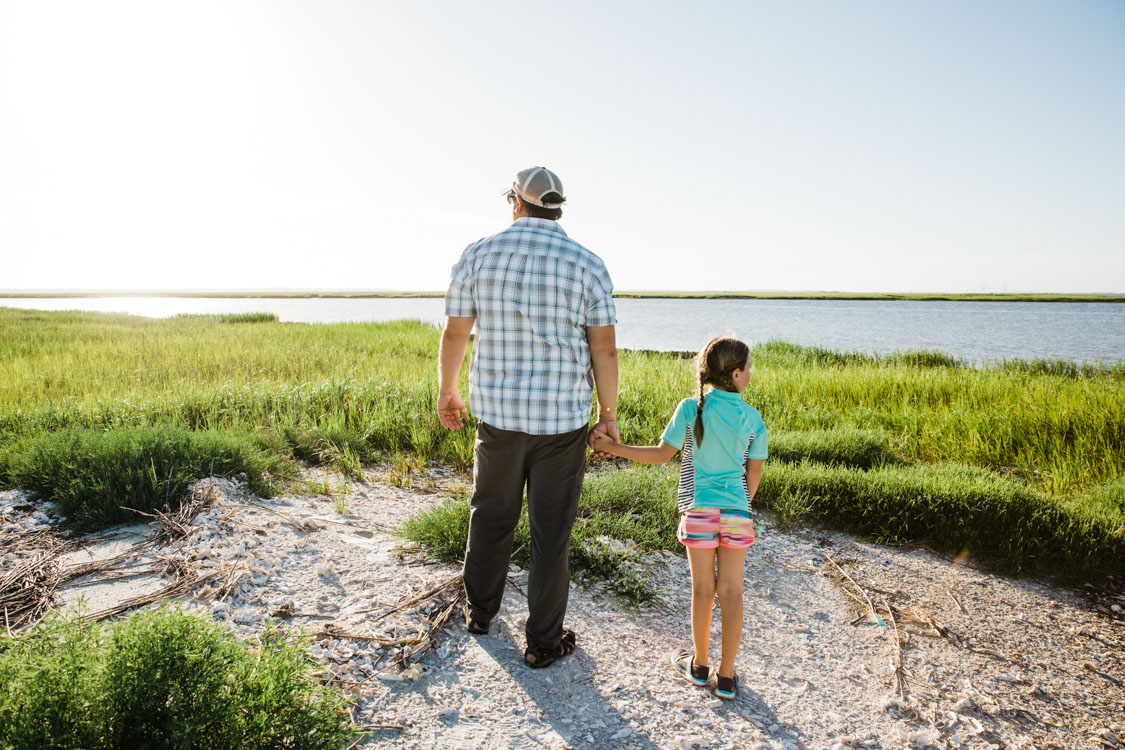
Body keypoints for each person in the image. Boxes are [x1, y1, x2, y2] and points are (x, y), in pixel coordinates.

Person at [437, 166, 619, 669]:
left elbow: (456, 333)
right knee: (551, 532)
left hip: (497, 416)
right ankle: (542, 642)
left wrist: (448, 391)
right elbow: (603, 348)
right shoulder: (588, 263)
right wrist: (608, 416)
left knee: (490, 516)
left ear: (516, 201)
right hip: (561, 422)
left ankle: (480, 613)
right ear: (558, 207)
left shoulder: (479, 253)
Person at [590, 336, 767, 699]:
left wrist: (612, 447)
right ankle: (728, 676)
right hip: (736, 513)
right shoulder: (753, 418)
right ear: (735, 374)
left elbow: (659, 455)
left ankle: (700, 666)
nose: (751, 374)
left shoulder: (691, 408)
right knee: (732, 593)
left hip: (698, 511)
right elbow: (753, 474)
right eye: (749, 368)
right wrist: (738, 506)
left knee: (703, 590)